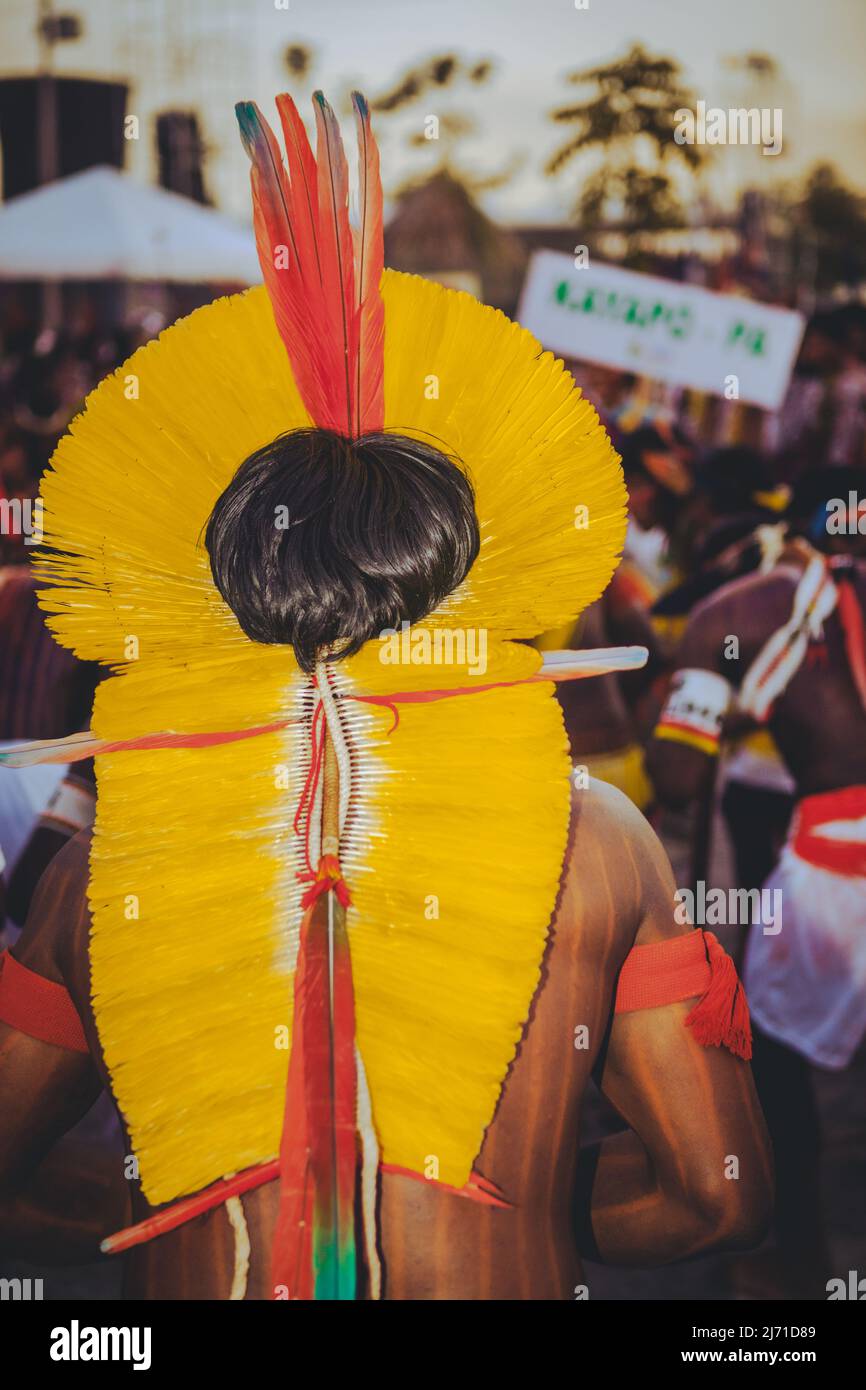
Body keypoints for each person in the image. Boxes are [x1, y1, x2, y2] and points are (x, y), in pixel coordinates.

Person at [0, 91, 771, 1301]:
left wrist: (166, 1205)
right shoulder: (599, 842)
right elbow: (717, 1193)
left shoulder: (101, 859)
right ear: (460, 570)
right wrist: (524, 1218)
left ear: (234, 580)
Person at [646, 467, 866, 1297]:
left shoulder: (735, 614)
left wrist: (697, 703)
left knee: (776, 1069)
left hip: (834, 866)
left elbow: (673, 777)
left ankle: (794, 1271)